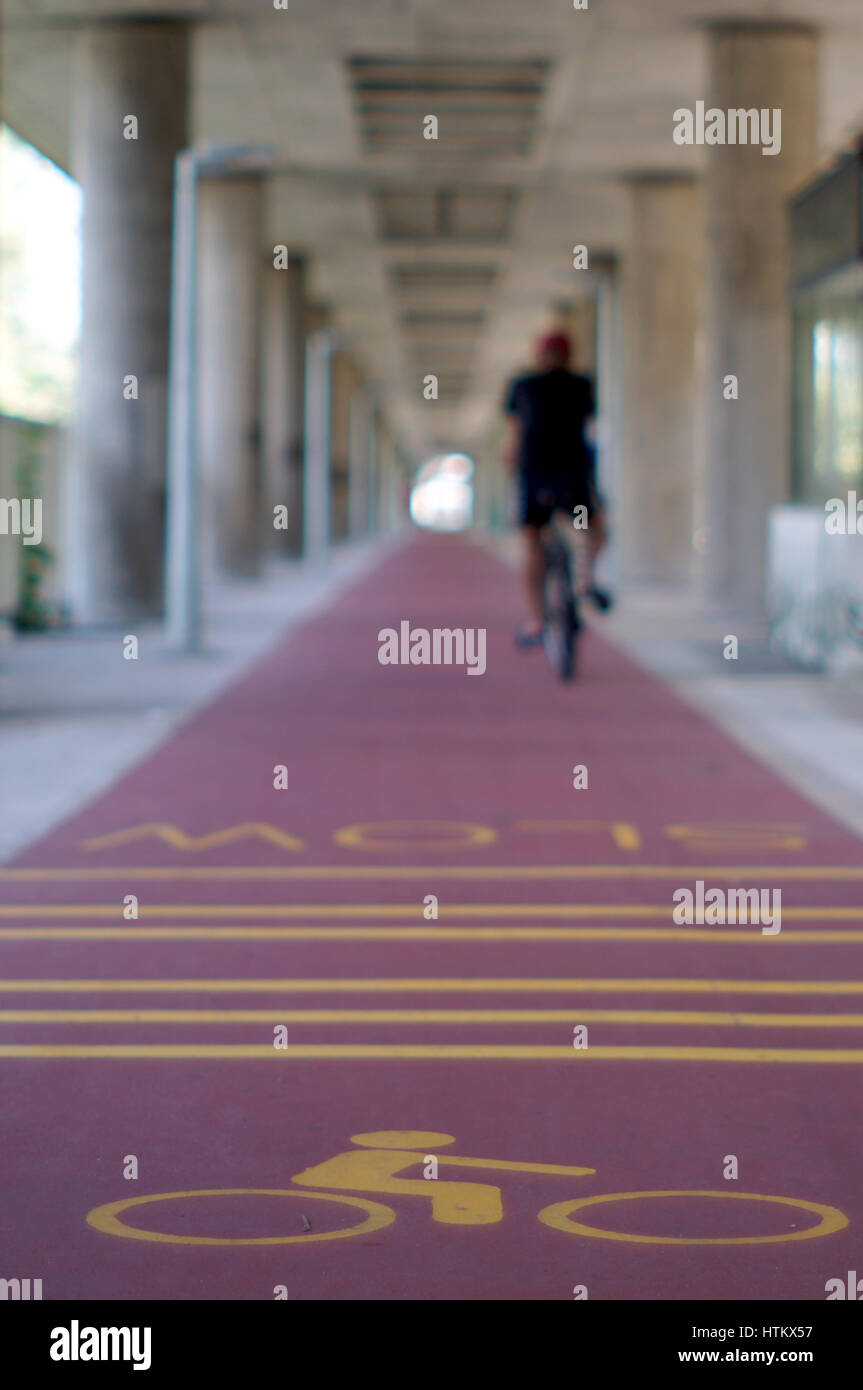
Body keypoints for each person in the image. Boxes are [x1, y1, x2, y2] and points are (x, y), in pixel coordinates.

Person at [503, 330, 611, 646]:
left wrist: (513, 476)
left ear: (539, 355)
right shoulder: (581, 385)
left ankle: (537, 621)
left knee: (532, 542)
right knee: (596, 529)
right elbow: (592, 431)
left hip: (535, 477)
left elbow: (514, 436)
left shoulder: (523, 385)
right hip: (574, 476)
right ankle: (586, 581)